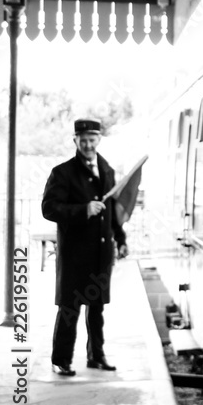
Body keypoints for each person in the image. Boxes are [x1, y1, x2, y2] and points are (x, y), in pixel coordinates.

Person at [41, 118, 129, 375]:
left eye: (92, 139)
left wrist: (121, 240)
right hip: (75, 254)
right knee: (69, 309)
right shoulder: (63, 172)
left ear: (99, 140)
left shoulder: (107, 169)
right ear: (75, 141)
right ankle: (61, 360)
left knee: (97, 309)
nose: (88, 144)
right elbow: (49, 209)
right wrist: (83, 210)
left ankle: (96, 356)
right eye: (83, 140)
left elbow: (111, 212)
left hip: (101, 254)